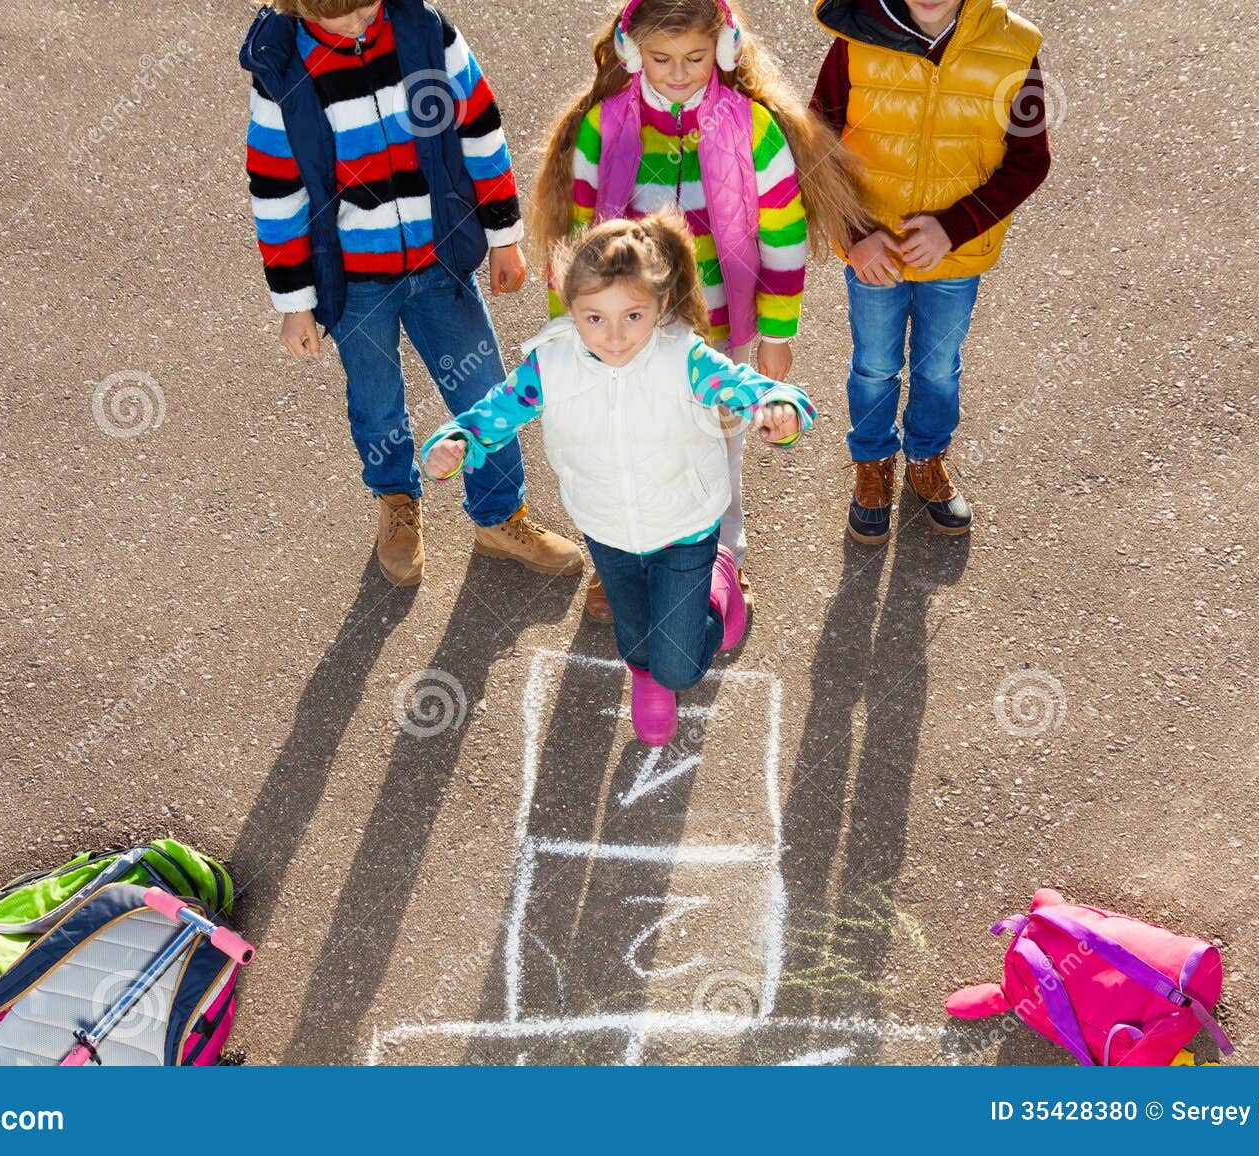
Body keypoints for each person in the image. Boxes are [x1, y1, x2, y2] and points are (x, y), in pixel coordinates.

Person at [421, 213, 816, 746]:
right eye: (594, 318)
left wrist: (781, 408)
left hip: (686, 526)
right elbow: (492, 415)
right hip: (605, 526)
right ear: (570, 305)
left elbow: (750, 386)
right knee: (633, 629)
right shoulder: (550, 366)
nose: (614, 335)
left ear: (660, 304)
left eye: (632, 315)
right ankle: (645, 674)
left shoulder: (687, 359)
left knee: (681, 664)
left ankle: (718, 593)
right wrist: (456, 441)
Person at [530, 0, 869, 620]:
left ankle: (723, 555)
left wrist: (777, 332)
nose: (678, 72)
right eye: (660, 59)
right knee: (621, 440)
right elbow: (574, 242)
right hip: (624, 330)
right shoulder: (603, 126)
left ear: (726, 49)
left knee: (720, 439)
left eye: (695, 57)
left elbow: (783, 235)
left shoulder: (753, 128)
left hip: (719, 325)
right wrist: (563, 327)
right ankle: (622, 560)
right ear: (633, 54)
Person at [241, 0, 582, 586]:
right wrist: (293, 303)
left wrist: (503, 236)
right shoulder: (281, 69)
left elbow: (480, 130)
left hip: (440, 262)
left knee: (484, 391)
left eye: (362, 9)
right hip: (354, 281)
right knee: (377, 405)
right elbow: (277, 193)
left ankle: (500, 515)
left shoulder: (425, 34)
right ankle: (397, 502)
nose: (353, 28)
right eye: (333, 18)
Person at [810, 0, 1052, 544]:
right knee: (874, 364)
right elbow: (816, 140)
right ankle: (873, 463)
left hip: (955, 255)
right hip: (873, 250)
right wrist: (854, 234)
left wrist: (954, 227)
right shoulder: (855, 36)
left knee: (939, 366)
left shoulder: (1014, 45)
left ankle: (927, 457)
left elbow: (1029, 160)